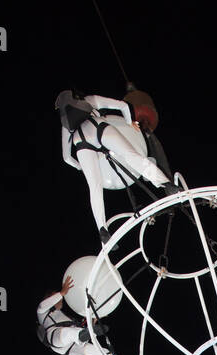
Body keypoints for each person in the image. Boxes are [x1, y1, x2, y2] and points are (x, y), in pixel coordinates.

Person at [55, 89, 172, 241]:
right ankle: (166, 184)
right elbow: (123, 105)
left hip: (81, 144)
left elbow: (66, 157)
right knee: (131, 155)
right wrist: (130, 122)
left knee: (94, 187)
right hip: (99, 128)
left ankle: (102, 230)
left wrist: (81, 167)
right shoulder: (90, 100)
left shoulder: (66, 124)